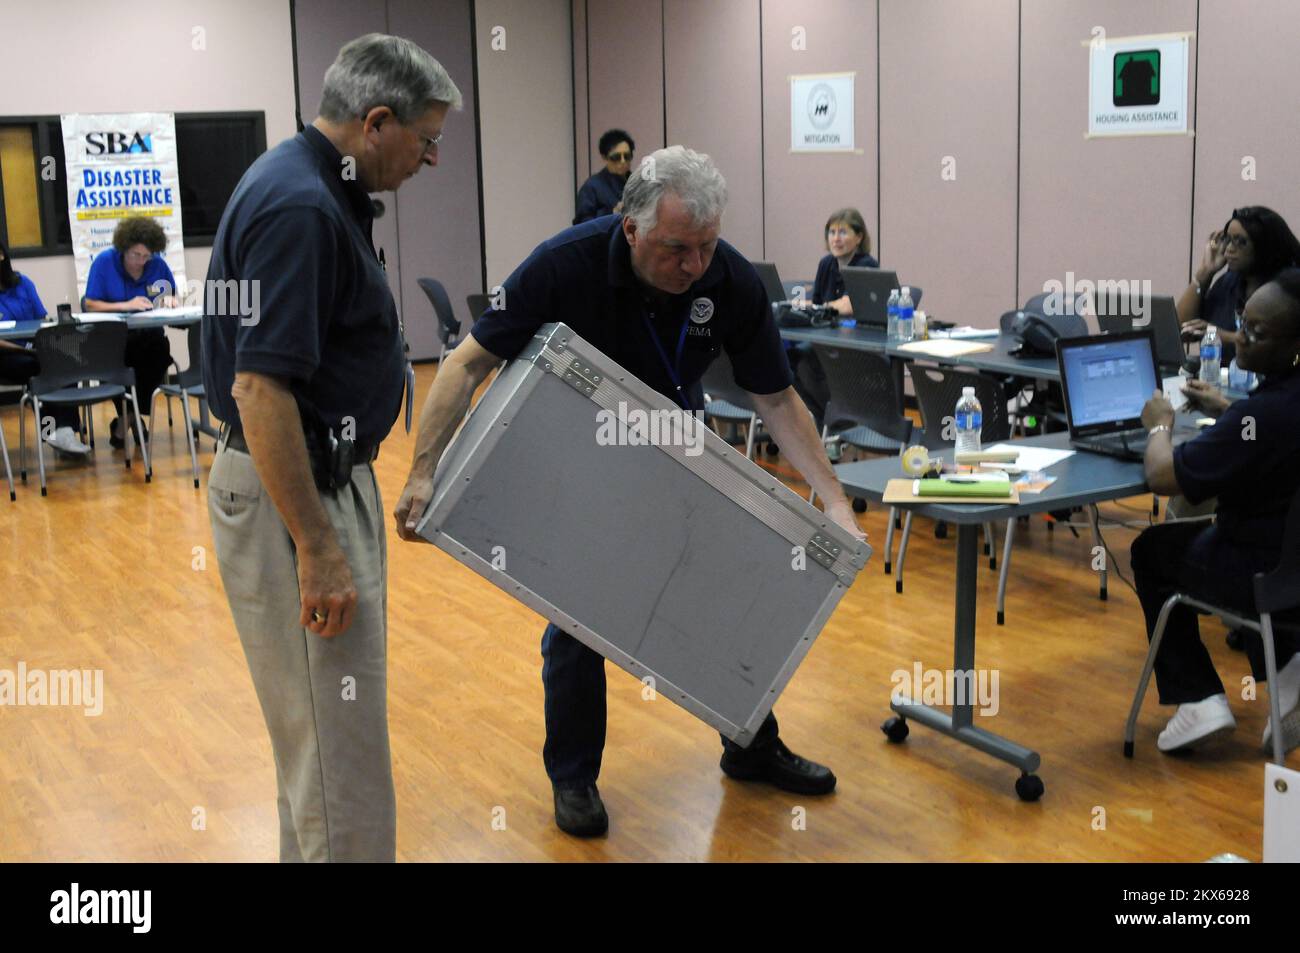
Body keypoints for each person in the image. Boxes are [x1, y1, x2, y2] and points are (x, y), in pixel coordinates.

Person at [395, 145, 866, 839]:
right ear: (630, 227)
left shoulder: (725, 275)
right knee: (580, 616)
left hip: (679, 451)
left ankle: (750, 744)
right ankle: (575, 776)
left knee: (727, 594)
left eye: (706, 246)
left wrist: (834, 500)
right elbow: (466, 364)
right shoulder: (564, 264)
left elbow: (774, 395)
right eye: (677, 249)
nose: (694, 266)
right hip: (579, 458)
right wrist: (422, 471)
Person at [202, 32, 461, 862]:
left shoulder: (309, 183)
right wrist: (317, 546)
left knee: (320, 746)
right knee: (336, 755)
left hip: (317, 482)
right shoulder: (302, 207)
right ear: (376, 122)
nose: (430, 160)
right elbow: (260, 389)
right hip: (297, 495)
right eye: (425, 141)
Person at [1131, 268, 1300, 755]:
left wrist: (1159, 426)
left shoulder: (1258, 416)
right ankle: (1287, 671)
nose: (1240, 337)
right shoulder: (1266, 410)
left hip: (1255, 575)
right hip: (1291, 570)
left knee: (1152, 552)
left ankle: (1199, 699)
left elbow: (1163, 477)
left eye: (1257, 332)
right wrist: (1231, 411)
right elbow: (1268, 431)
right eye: (1243, 322)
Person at [83, 216, 181, 449]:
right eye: (135, 255)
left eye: (146, 256)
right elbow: (90, 304)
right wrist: (125, 305)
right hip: (113, 338)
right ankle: (134, 419)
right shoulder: (105, 262)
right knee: (123, 364)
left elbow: (171, 294)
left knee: (158, 356)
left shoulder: (157, 265)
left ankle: (124, 422)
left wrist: (169, 300)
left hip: (149, 335)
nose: (141, 261)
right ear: (124, 248)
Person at [1176, 206, 1300, 366]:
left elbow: (1273, 345)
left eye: (1241, 242)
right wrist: (1205, 273)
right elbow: (1181, 328)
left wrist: (1218, 334)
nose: (1229, 249)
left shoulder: (1287, 289)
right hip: (1220, 380)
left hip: (1274, 385)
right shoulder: (1230, 282)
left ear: (1264, 246)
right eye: (1228, 239)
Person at [791, 208, 879, 427]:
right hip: (827, 338)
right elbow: (819, 302)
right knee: (789, 358)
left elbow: (848, 305)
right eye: (831, 232)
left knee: (806, 360)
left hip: (856, 343)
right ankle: (823, 419)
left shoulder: (866, 264)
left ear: (859, 237)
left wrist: (819, 307)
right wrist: (794, 306)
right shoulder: (826, 264)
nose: (836, 239)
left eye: (843, 232)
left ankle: (836, 422)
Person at [0, 240, 89, 456]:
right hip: (8, 355)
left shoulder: (22, 283)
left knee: (65, 360)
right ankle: (55, 431)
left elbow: (41, 318)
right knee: (40, 370)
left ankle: (63, 430)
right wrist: (26, 350)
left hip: (35, 348)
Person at [573, 128, 634, 224]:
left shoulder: (637, 183)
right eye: (616, 157)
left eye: (627, 156)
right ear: (604, 158)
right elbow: (581, 225)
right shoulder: (592, 187)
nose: (623, 161)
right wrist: (612, 214)